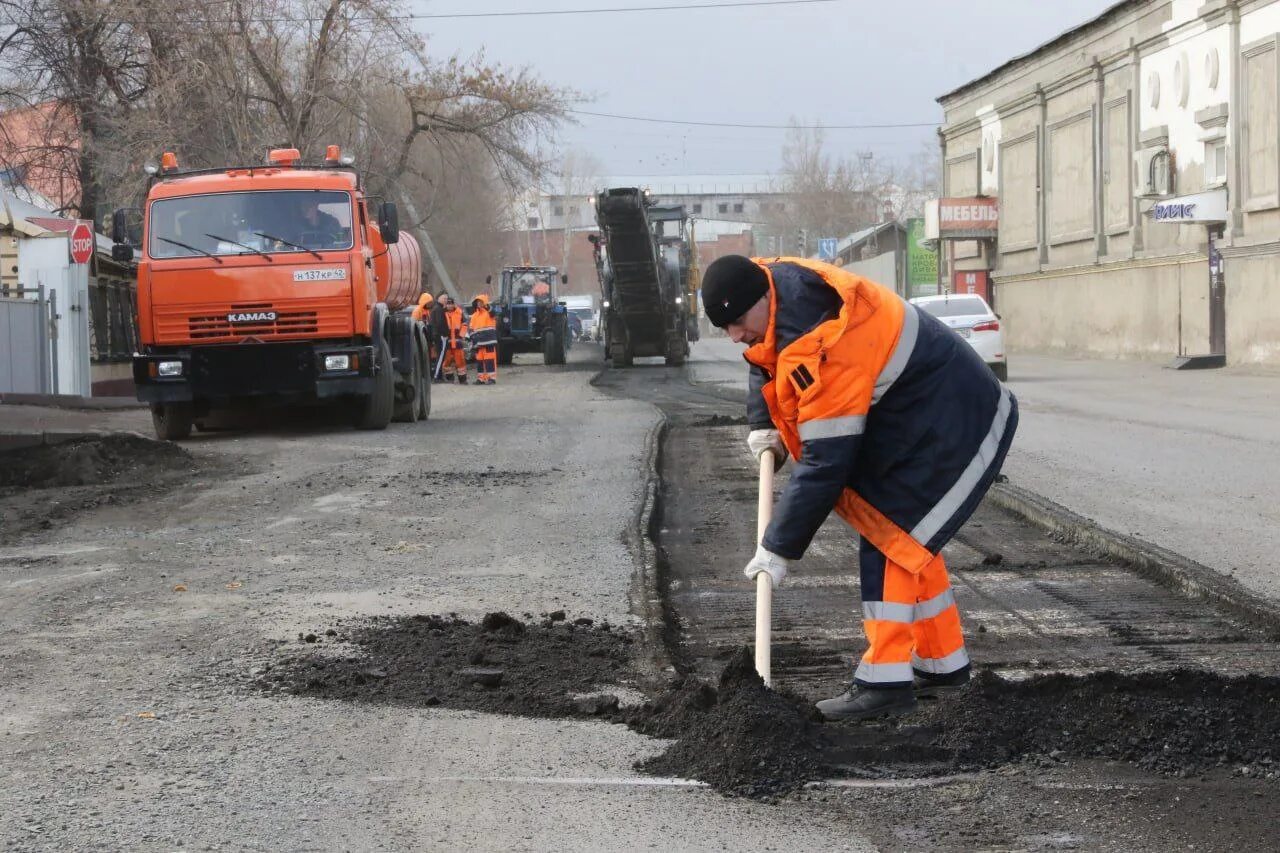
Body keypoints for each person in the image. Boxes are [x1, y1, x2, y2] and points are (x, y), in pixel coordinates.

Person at [701, 254, 1018, 722]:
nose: (734, 336)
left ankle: (885, 682)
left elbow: (827, 461)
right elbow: (762, 352)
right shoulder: (771, 285)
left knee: (890, 531)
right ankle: (943, 665)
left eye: (737, 321)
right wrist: (762, 420)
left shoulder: (825, 344)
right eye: (724, 327)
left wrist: (778, 548)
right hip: (914, 401)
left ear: (764, 298)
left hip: (947, 413)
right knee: (913, 542)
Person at [438, 295, 469, 384]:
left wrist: (461, 335)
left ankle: (463, 380)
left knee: (460, 361)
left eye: (451, 304)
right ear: (446, 305)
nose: (449, 306)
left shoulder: (459, 312)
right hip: (447, 341)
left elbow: (464, 324)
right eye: (448, 304)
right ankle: (449, 378)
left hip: (457, 341)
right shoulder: (443, 313)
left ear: (453, 304)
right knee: (447, 361)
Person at [468, 294, 499, 385]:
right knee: (480, 361)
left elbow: (493, 313)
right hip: (478, 342)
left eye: (481, 302)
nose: (479, 304)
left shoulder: (489, 313)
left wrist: (487, 306)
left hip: (488, 341)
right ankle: (481, 379)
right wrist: (473, 340)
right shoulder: (474, 315)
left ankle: (491, 378)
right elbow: (471, 329)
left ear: (484, 303)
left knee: (489, 361)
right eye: (478, 302)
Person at [429, 290, 451, 381]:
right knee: (441, 356)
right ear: (439, 298)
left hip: (438, 335)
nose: (446, 300)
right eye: (444, 298)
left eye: (447, 298)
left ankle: (439, 376)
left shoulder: (437, 308)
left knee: (440, 356)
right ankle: (436, 376)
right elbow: (439, 323)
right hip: (441, 336)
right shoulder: (438, 309)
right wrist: (445, 334)